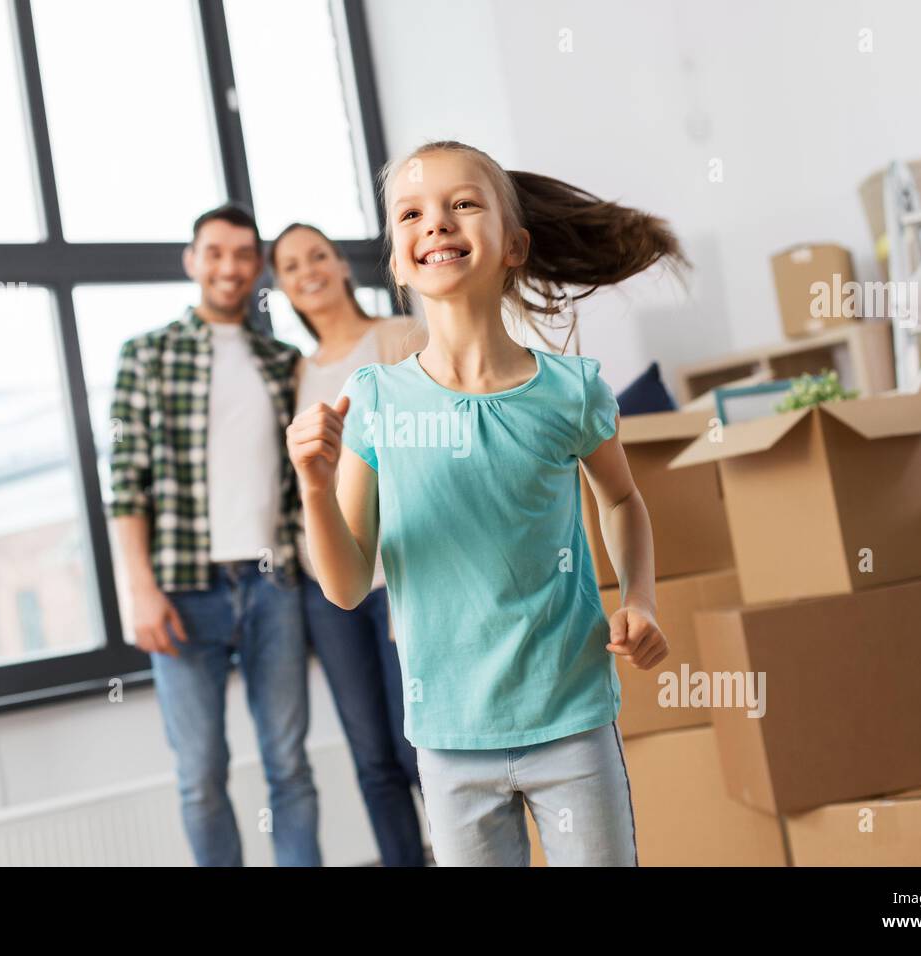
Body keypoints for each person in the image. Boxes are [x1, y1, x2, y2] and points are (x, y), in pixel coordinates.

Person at [286, 141, 681, 866]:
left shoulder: (572, 390)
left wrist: (642, 600)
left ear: (513, 246)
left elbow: (622, 500)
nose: (436, 223)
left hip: (572, 722)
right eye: (411, 213)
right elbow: (345, 588)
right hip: (449, 741)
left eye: (463, 204)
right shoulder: (374, 403)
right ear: (399, 261)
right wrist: (313, 486)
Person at [110, 203, 320, 867]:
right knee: (200, 774)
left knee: (289, 763)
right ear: (193, 261)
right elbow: (124, 481)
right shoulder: (146, 355)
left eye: (242, 255)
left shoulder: (283, 361)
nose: (229, 267)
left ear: (257, 267)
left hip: (271, 582)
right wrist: (139, 589)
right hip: (183, 589)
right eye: (215, 253)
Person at [270, 222, 428, 866]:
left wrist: (407, 582)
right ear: (280, 286)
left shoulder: (398, 337)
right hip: (329, 591)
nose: (306, 270)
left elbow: (432, 456)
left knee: (417, 745)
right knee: (373, 760)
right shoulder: (291, 373)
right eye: (288, 265)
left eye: (317, 255)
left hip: (400, 574)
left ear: (340, 265)